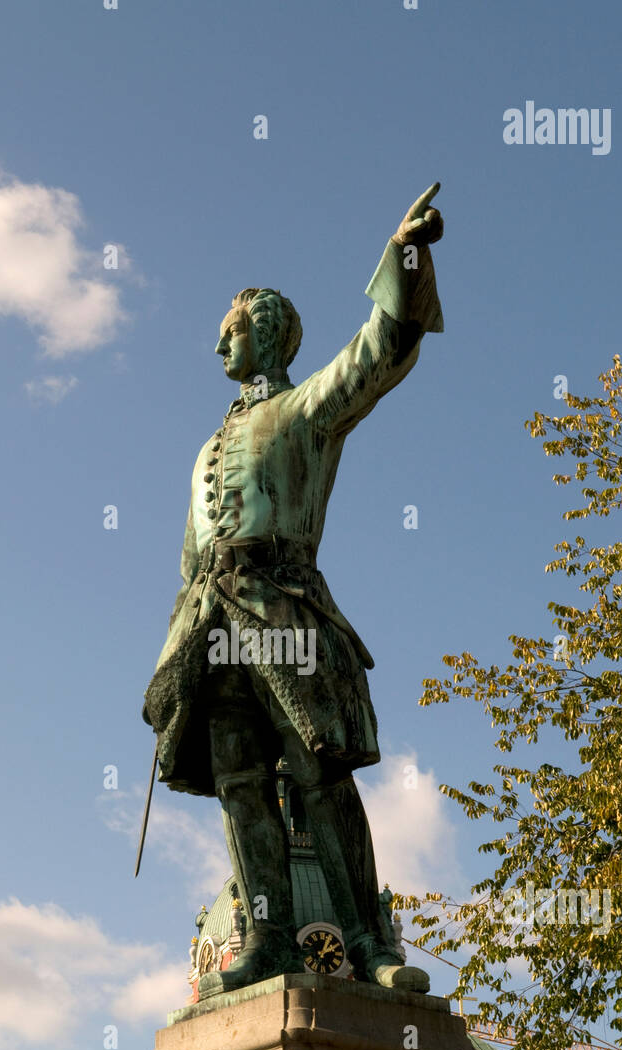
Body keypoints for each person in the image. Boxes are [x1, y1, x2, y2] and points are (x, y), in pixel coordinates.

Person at [144, 184, 444, 995]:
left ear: (267, 333)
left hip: (283, 607)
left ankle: (366, 944)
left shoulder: (306, 410)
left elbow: (376, 352)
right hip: (212, 621)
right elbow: (187, 558)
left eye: (229, 330)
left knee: (316, 773)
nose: (216, 347)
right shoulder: (204, 446)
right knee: (241, 784)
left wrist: (404, 258)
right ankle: (270, 939)